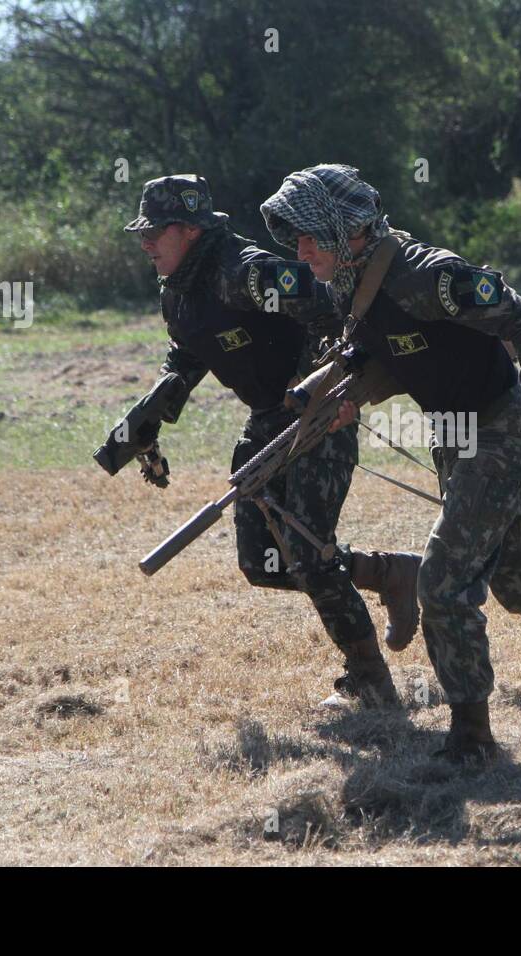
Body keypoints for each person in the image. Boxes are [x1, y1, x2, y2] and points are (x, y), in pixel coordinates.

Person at [260, 164, 521, 760]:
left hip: (501, 428)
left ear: (347, 230)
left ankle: (471, 738)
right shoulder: (351, 284)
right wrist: (352, 397)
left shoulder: (427, 277)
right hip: (455, 435)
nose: (298, 252)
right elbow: (392, 355)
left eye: (308, 236)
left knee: (443, 581)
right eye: (294, 238)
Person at [122, 173, 421, 709]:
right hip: (266, 419)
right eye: (142, 233)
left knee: (306, 551)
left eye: (155, 232)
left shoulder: (245, 271)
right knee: (263, 562)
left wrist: (315, 390)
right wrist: (152, 411)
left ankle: (369, 683)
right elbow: (187, 352)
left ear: (188, 231)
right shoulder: (181, 288)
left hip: (317, 415)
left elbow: (332, 303)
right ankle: (389, 572)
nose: (145, 243)